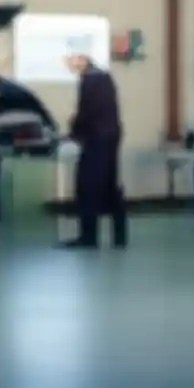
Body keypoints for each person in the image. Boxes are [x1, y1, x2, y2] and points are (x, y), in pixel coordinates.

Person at [63, 45, 128, 248]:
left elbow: (86, 111)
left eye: (71, 59)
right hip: (111, 137)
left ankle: (88, 237)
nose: (69, 64)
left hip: (96, 140)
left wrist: (73, 133)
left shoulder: (89, 80)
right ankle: (120, 236)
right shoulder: (104, 77)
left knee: (87, 186)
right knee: (110, 186)